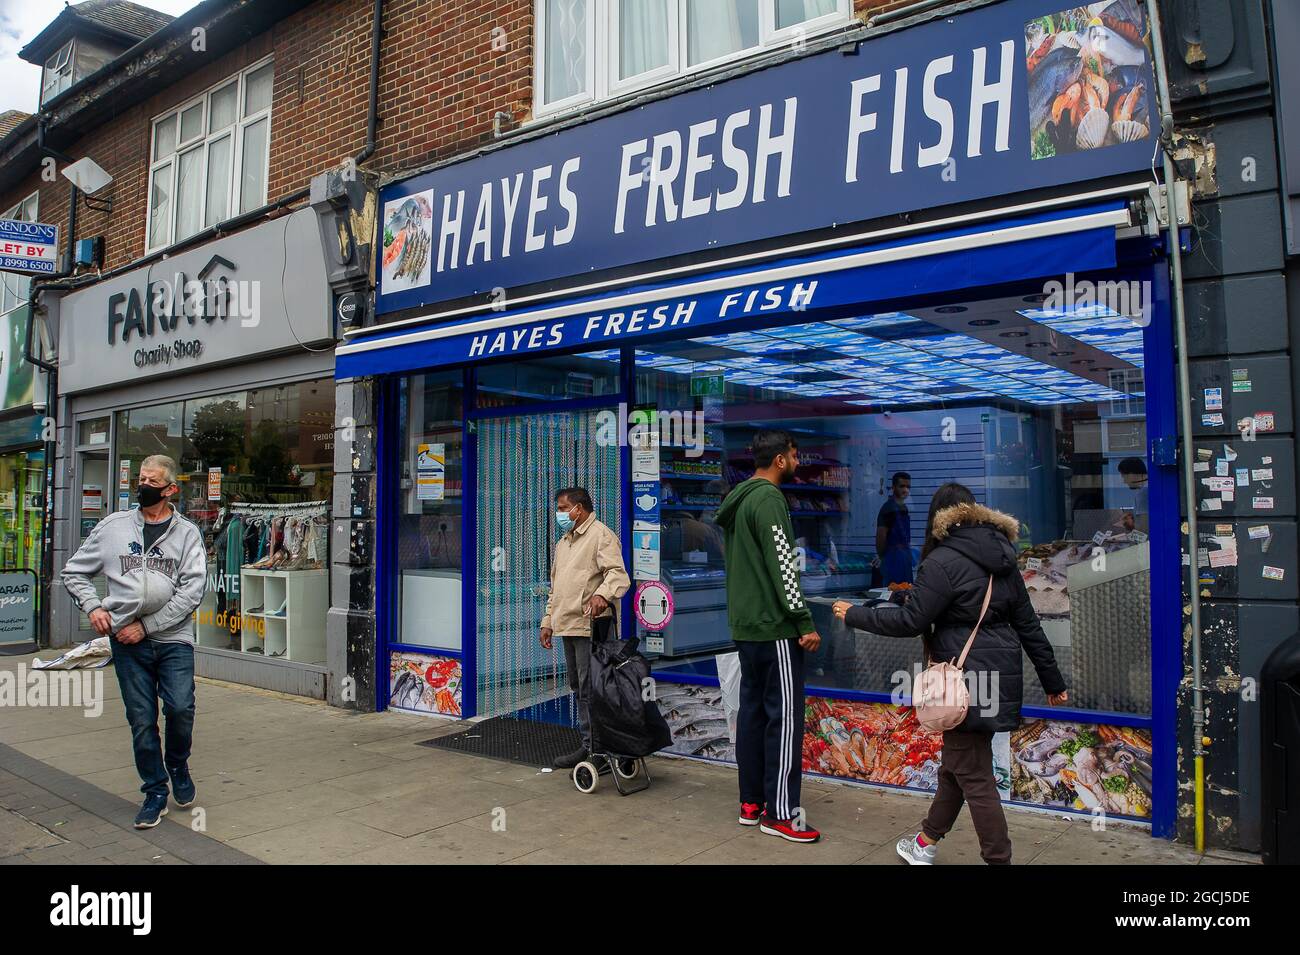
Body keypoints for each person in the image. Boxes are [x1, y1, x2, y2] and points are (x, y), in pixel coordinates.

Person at [833, 482, 1068, 865]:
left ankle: (998, 859)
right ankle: (925, 842)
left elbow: (910, 622)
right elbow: (1028, 625)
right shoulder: (1003, 558)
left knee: (973, 774)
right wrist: (1053, 681)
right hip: (996, 679)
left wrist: (856, 614)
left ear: (938, 518)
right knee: (958, 765)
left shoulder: (942, 561)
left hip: (961, 682)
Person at [61, 455, 207, 829]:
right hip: (127, 642)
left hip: (173, 638)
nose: (143, 486)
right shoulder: (113, 527)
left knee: (180, 708)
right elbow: (74, 571)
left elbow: (193, 590)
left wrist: (148, 626)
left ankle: (178, 763)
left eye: (152, 482)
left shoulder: (187, 533)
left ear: (170, 489)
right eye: (141, 479)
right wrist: (93, 606)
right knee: (141, 720)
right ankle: (155, 791)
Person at [716, 430, 822, 843]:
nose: (797, 462)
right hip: (774, 627)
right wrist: (802, 620)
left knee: (753, 714)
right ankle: (780, 813)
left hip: (746, 627)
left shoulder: (739, 499)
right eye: (794, 455)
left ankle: (751, 802)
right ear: (780, 459)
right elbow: (783, 564)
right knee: (784, 720)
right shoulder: (769, 499)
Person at [539, 487, 631, 769]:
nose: (559, 513)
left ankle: (600, 749)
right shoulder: (564, 542)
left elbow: (617, 574)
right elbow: (556, 587)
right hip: (567, 624)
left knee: (593, 689)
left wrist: (603, 595)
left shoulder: (600, 535)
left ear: (578, 508)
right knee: (579, 687)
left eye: (563, 508)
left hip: (591, 626)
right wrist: (548, 621)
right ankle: (590, 744)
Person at [875, 472, 915, 586]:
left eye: (908, 487)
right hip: (893, 558)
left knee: (907, 590)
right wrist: (884, 557)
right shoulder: (888, 509)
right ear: (893, 488)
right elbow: (881, 537)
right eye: (902, 486)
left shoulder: (904, 508)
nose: (905, 490)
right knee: (893, 591)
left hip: (905, 557)